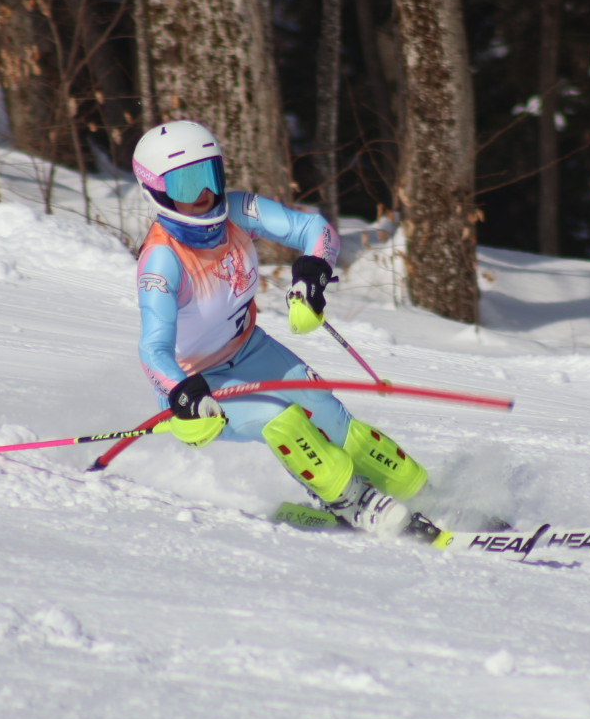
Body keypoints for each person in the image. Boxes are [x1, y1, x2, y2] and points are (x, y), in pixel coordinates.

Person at [132, 119, 428, 538]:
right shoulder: (162, 262)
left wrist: (311, 274)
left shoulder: (235, 210)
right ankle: (349, 501)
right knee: (282, 419)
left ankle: (422, 492)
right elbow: (152, 350)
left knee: (333, 418)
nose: (204, 196)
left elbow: (315, 230)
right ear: (157, 193)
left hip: (249, 349)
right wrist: (182, 394)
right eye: (184, 186)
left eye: (208, 176)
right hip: (196, 384)